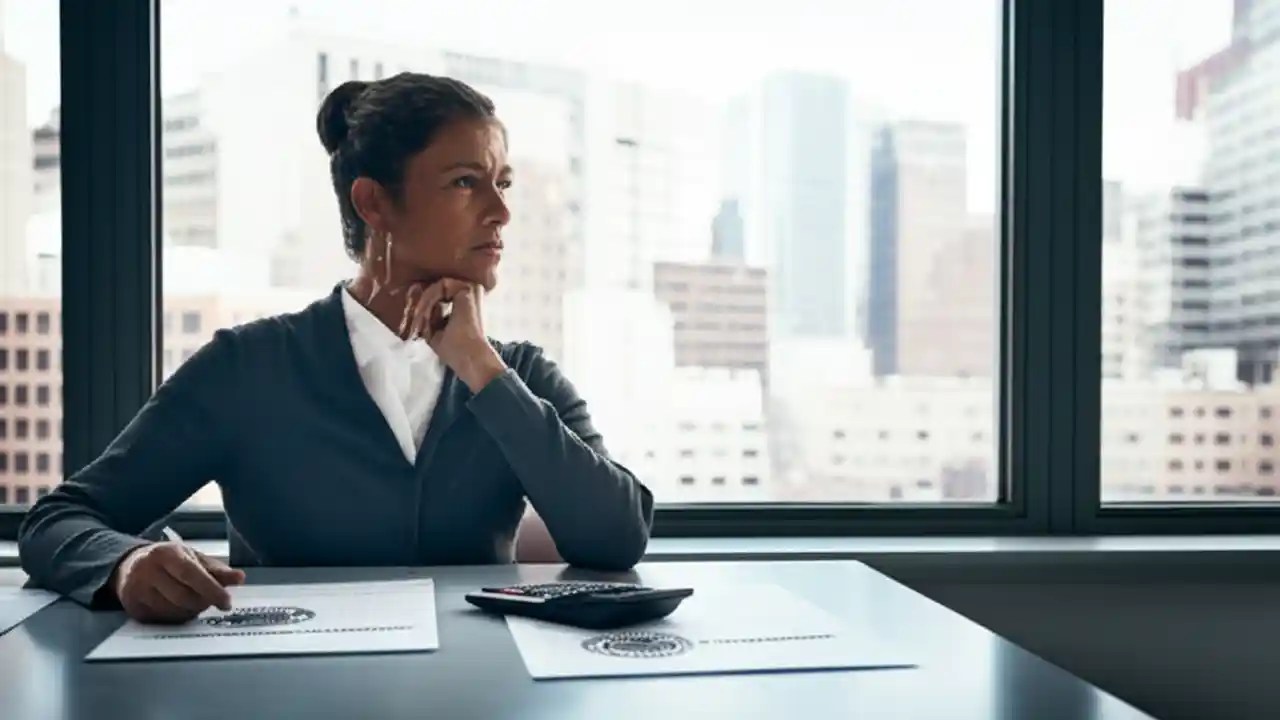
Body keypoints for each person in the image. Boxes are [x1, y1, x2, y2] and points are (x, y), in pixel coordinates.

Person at [17, 73, 655, 624]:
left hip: (479, 695)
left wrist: (481, 369)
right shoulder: (247, 368)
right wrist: (126, 563)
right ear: (375, 201)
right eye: (466, 182)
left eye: (503, 183)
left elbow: (617, 535)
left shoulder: (517, 374)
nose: (500, 212)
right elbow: (58, 522)